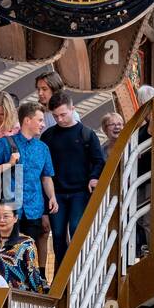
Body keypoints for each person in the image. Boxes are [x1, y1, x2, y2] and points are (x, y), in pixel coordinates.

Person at [0, 102, 58, 271]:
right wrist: (9, 163)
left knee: (28, 249)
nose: (43, 124)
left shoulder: (43, 148)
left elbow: (46, 177)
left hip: (34, 207)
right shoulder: (4, 144)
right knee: (8, 250)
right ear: (27, 120)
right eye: (39, 120)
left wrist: (52, 197)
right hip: (9, 207)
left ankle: (30, 283)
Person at [42, 91, 105, 270]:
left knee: (77, 230)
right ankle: (60, 274)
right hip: (57, 193)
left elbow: (99, 160)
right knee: (59, 235)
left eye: (63, 114)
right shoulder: (49, 136)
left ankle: (77, 269)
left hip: (80, 192)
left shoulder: (87, 134)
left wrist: (93, 177)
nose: (60, 119)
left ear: (72, 109)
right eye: (55, 116)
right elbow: (44, 169)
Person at [0, 199, 47, 293]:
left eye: (6, 216)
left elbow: (33, 274)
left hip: (18, 298)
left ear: (15, 218)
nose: (1, 220)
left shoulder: (26, 243)